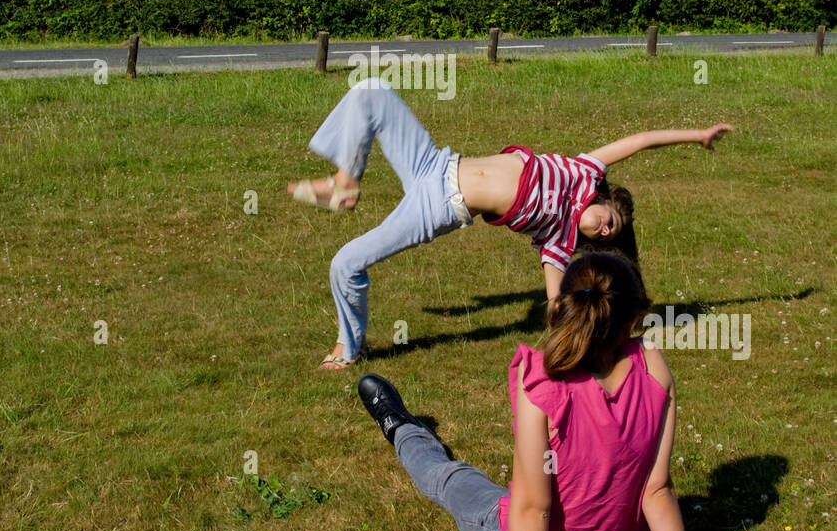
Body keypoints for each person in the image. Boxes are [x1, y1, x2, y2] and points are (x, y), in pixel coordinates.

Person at [357, 251, 767, 531]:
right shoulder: (653, 364)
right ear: (631, 319)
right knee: (489, 486)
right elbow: (656, 490)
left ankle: (401, 427)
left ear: (561, 306)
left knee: (449, 479)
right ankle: (406, 427)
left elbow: (533, 508)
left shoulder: (541, 383)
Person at [288, 76, 734, 369]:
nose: (602, 228)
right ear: (603, 200)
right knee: (371, 90)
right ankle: (346, 184)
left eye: (605, 235)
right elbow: (639, 140)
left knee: (345, 263)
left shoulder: (557, 242)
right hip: (435, 163)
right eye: (609, 221)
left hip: (439, 206)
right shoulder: (584, 169)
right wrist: (697, 136)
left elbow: (558, 306)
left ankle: (350, 347)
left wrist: (597, 340)